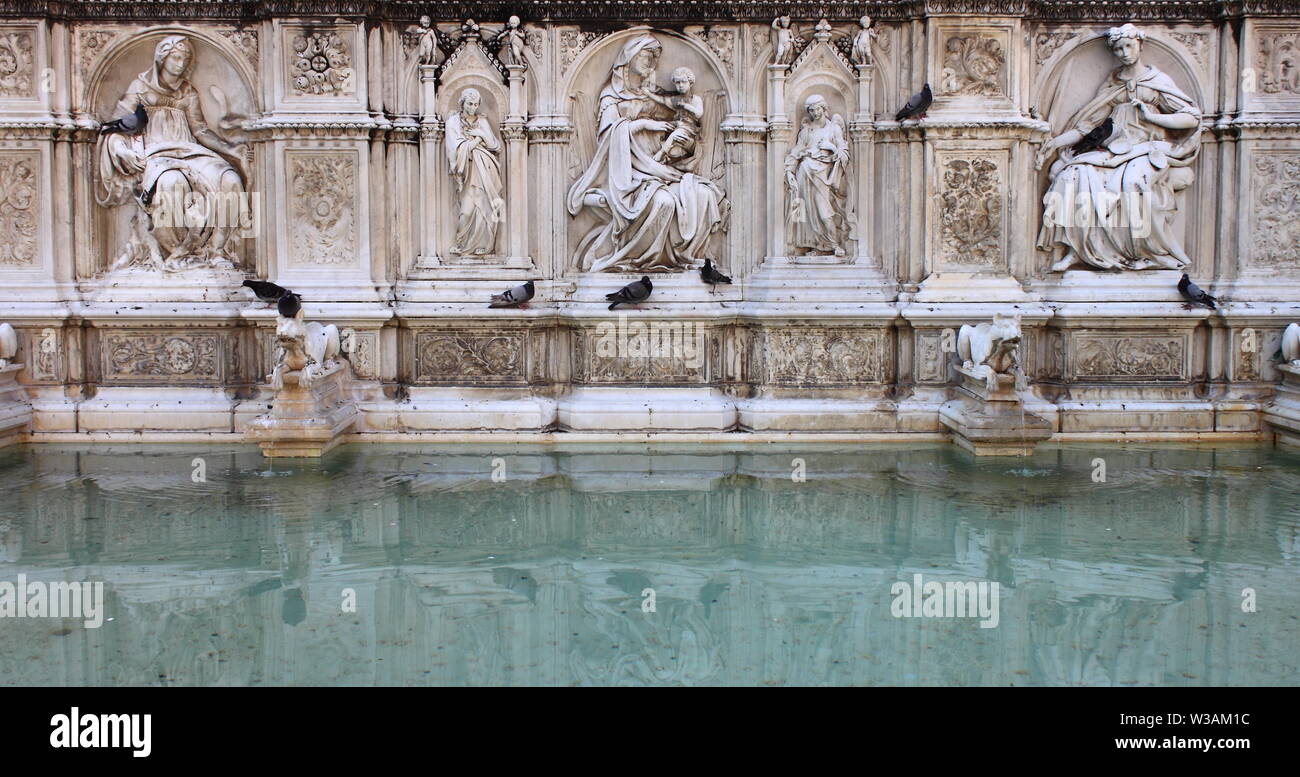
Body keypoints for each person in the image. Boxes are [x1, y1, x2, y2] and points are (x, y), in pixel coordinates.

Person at [1035, 23, 1202, 271]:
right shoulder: (1112, 85)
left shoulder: (1156, 81)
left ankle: (1145, 252)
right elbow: (1085, 127)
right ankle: (1077, 249)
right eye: (1118, 49)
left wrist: (1153, 118)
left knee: (1133, 181)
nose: (1124, 53)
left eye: (1128, 46)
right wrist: (1053, 144)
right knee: (1072, 175)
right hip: (1114, 152)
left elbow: (1191, 118)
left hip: (1147, 150)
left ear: (1140, 45)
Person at [565, 35, 727, 273]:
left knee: (702, 194)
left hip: (662, 169)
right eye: (645, 55)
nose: (650, 62)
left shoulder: (657, 95)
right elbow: (608, 141)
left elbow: (687, 132)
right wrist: (642, 125)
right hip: (627, 173)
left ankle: (684, 258)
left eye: (653, 57)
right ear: (628, 57)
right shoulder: (611, 96)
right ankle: (640, 261)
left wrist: (685, 146)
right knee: (663, 201)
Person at [96, 35, 250, 271]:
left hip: (191, 150)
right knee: (172, 183)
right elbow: (115, 129)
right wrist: (122, 150)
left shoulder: (188, 91)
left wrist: (231, 150)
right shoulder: (140, 88)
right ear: (162, 58)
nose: (180, 64)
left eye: (185, 58)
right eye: (176, 58)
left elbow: (200, 130)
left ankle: (217, 251)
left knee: (230, 179)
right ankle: (179, 252)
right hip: (157, 155)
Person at [785, 95, 849, 255]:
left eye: (817, 109)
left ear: (824, 108)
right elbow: (797, 150)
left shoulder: (834, 128)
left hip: (822, 176)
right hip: (804, 172)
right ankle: (815, 246)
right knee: (802, 210)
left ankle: (834, 244)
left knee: (823, 211)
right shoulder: (807, 130)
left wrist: (831, 147)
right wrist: (789, 170)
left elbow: (844, 152)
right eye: (811, 110)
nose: (814, 113)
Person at [445, 88, 503, 255]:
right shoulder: (453, 122)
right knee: (466, 211)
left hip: (486, 170)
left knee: (485, 208)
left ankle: (486, 246)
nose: (473, 107)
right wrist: (479, 138)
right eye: (470, 104)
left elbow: (495, 146)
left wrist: (481, 135)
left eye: (476, 104)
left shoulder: (482, 121)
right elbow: (455, 148)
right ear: (462, 103)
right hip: (468, 171)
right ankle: (462, 244)